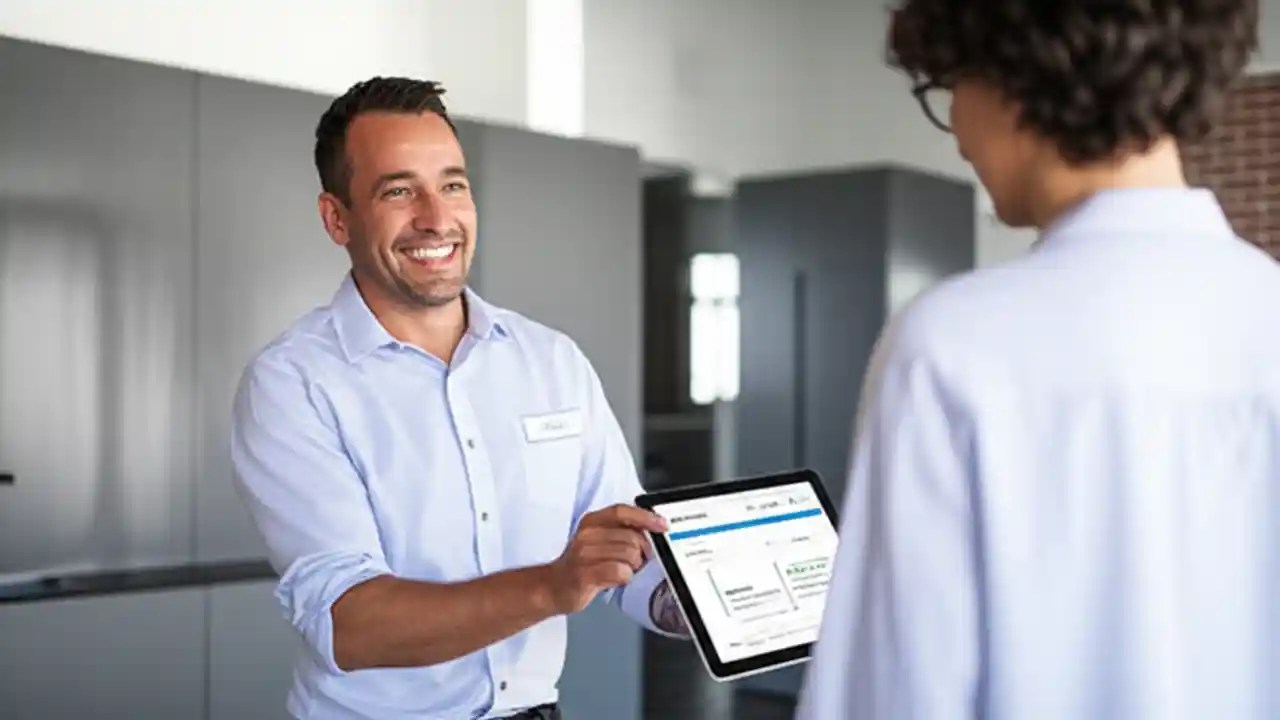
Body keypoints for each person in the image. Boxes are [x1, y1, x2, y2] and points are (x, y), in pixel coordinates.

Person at [799, 1, 1278, 718]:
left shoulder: (953, 347)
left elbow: (891, 698)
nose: (957, 129)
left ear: (1015, 76)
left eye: (949, 84)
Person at [231, 77, 686, 720]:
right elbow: (350, 621)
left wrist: (714, 604)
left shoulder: (551, 360)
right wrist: (553, 586)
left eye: (452, 184)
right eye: (398, 191)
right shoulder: (292, 385)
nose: (437, 219)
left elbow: (622, 555)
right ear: (338, 218)